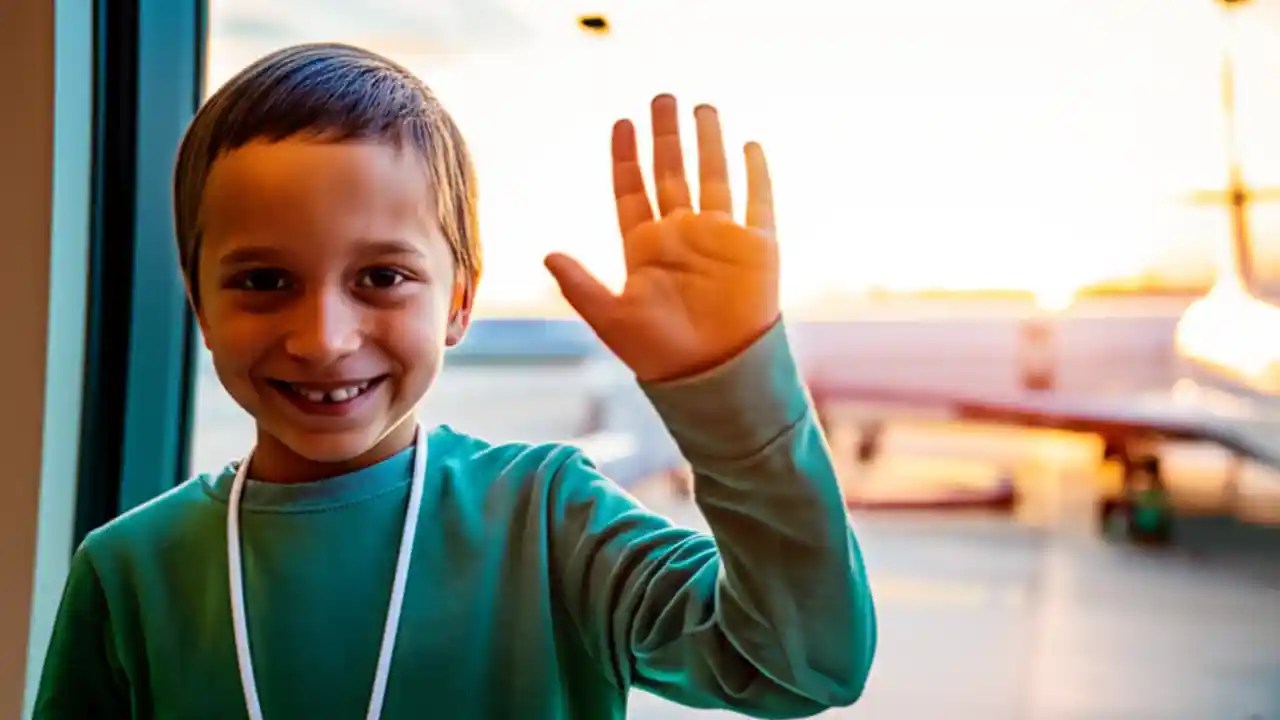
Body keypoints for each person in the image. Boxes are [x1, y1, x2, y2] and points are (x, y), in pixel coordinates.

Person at [33, 42, 877, 719]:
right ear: (201, 306)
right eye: (263, 281)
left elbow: (802, 665)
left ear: (458, 301)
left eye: (381, 278)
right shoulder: (130, 571)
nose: (324, 340)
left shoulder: (549, 520)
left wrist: (726, 388)